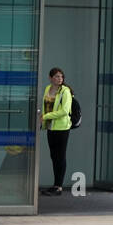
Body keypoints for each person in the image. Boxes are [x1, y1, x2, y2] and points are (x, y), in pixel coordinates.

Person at [40, 67, 74, 196]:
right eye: (57, 76)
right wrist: (44, 120)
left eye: (61, 77)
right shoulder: (47, 89)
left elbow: (64, 111)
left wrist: (46, 116)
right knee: (54, 156)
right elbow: (45, 106)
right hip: (50, 127)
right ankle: (55, 185)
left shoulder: (65, 91)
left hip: (62, 128)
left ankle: (58, 186)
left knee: (60, 156)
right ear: (50, 78)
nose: (60, 79)